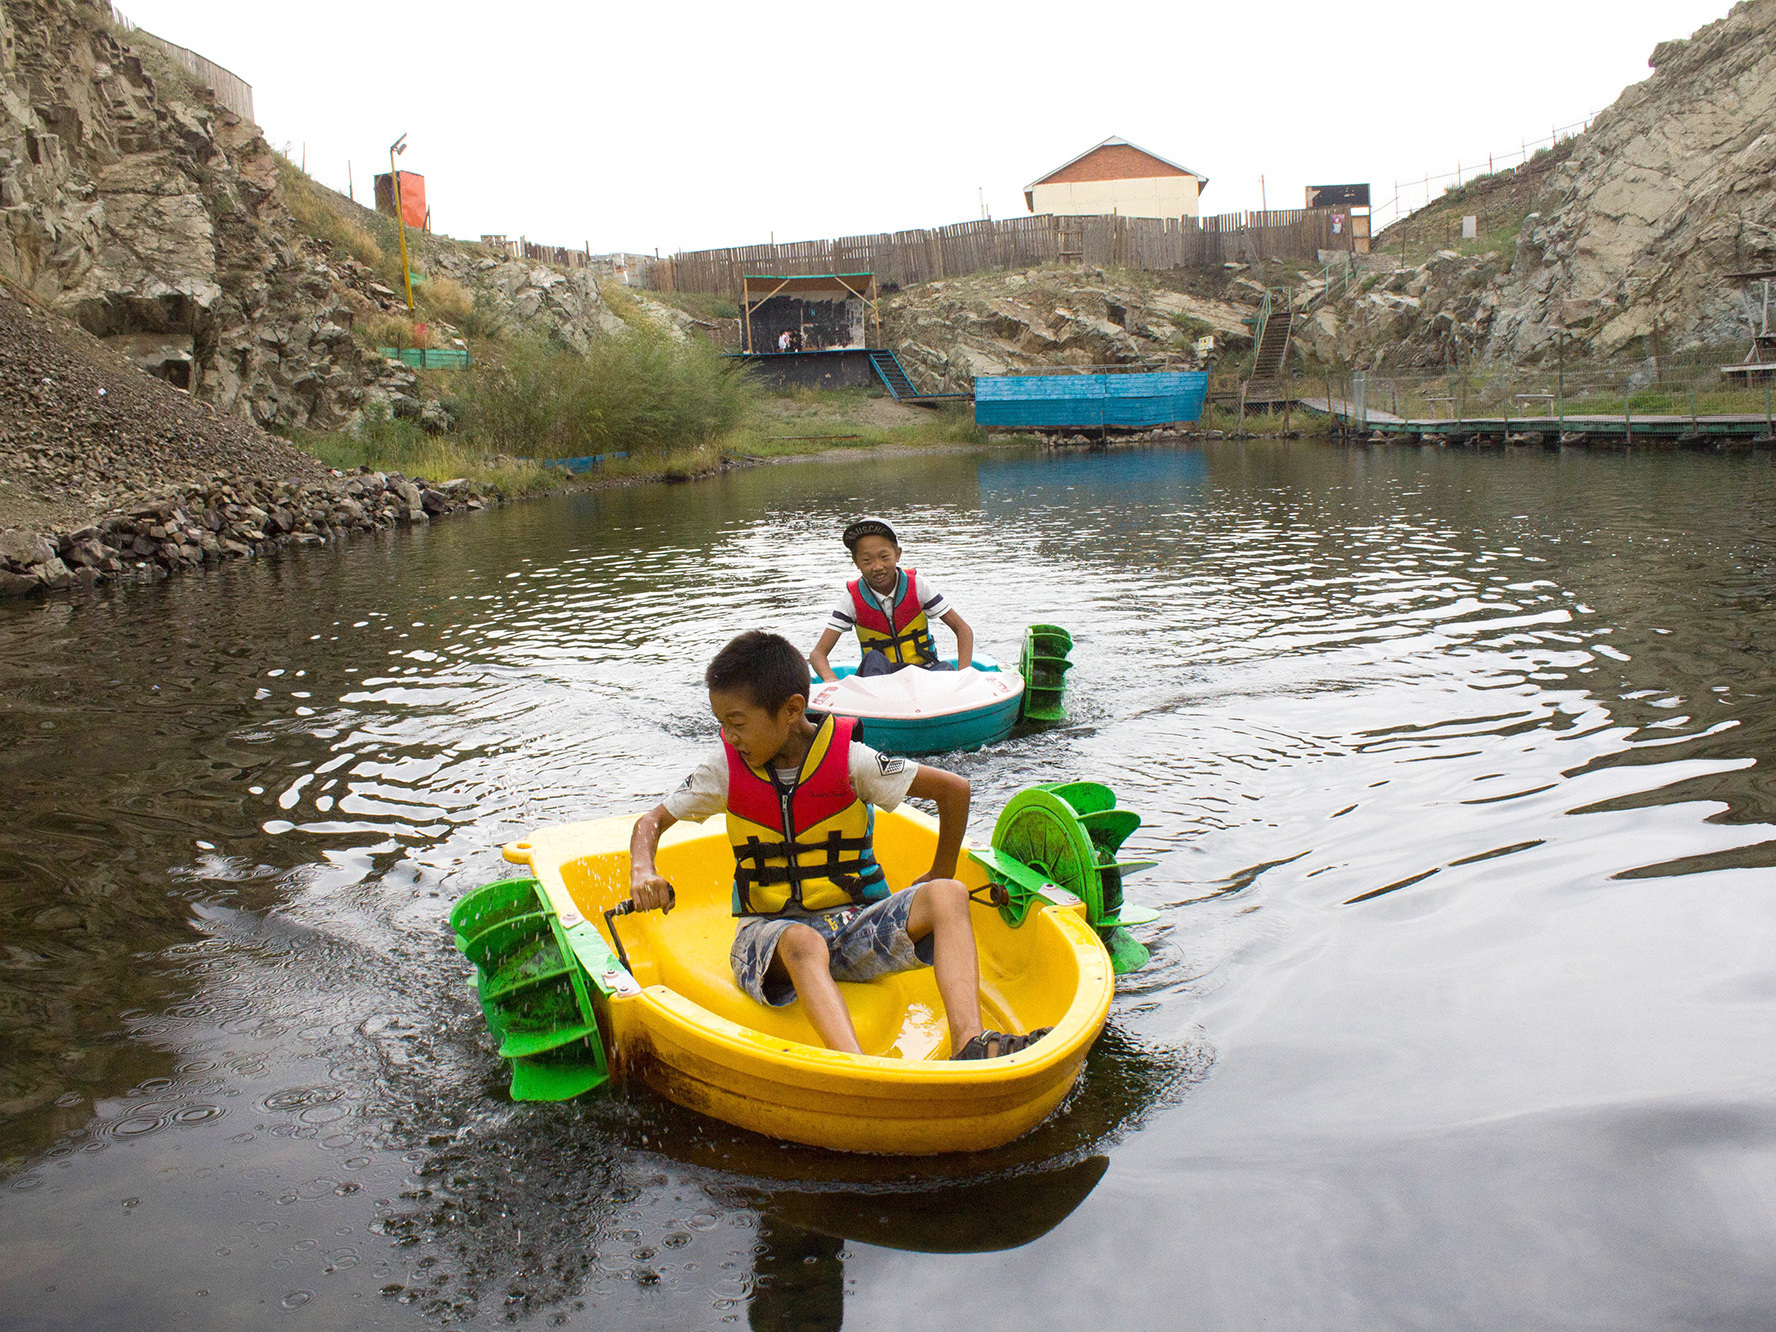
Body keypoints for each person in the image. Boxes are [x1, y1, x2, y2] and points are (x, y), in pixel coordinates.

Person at [627, 630, 1043, 1060]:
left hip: (850, 928)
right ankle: (857, 1068)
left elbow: (954, 791)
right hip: (768, 943)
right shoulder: (724, 770)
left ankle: (970, 1046)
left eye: (736, 722)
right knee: (803, 942)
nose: (727, 736)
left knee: (949, 895)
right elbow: (652, 821)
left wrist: (941, 872)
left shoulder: (851, 761)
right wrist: (644, 868)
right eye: (722, 723)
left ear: (791, 710)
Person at [809, 517, 974, 682]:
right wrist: (830, 679)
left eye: (884, 557)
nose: (877, 567)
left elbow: (963, 630)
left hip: (924, 675)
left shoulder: (918, 586)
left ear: (897, 554)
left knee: (946, 669)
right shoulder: (851, 600)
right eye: (867, 560)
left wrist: (964, 674)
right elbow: (818, 654)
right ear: (856, 562)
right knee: (874, 657)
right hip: (879, 681)